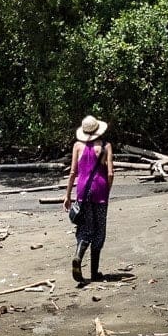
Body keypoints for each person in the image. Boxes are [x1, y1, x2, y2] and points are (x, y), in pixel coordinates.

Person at [62, 114, 114, 283]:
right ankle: (94, 272)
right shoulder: (106, 146)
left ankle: (78, 255)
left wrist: (67, 195)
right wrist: (107, 190)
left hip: (83, 191)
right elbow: (110, 173)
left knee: (86, 227)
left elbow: (72, 173)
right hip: (100, 190)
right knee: (99, 230)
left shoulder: (77, 146)